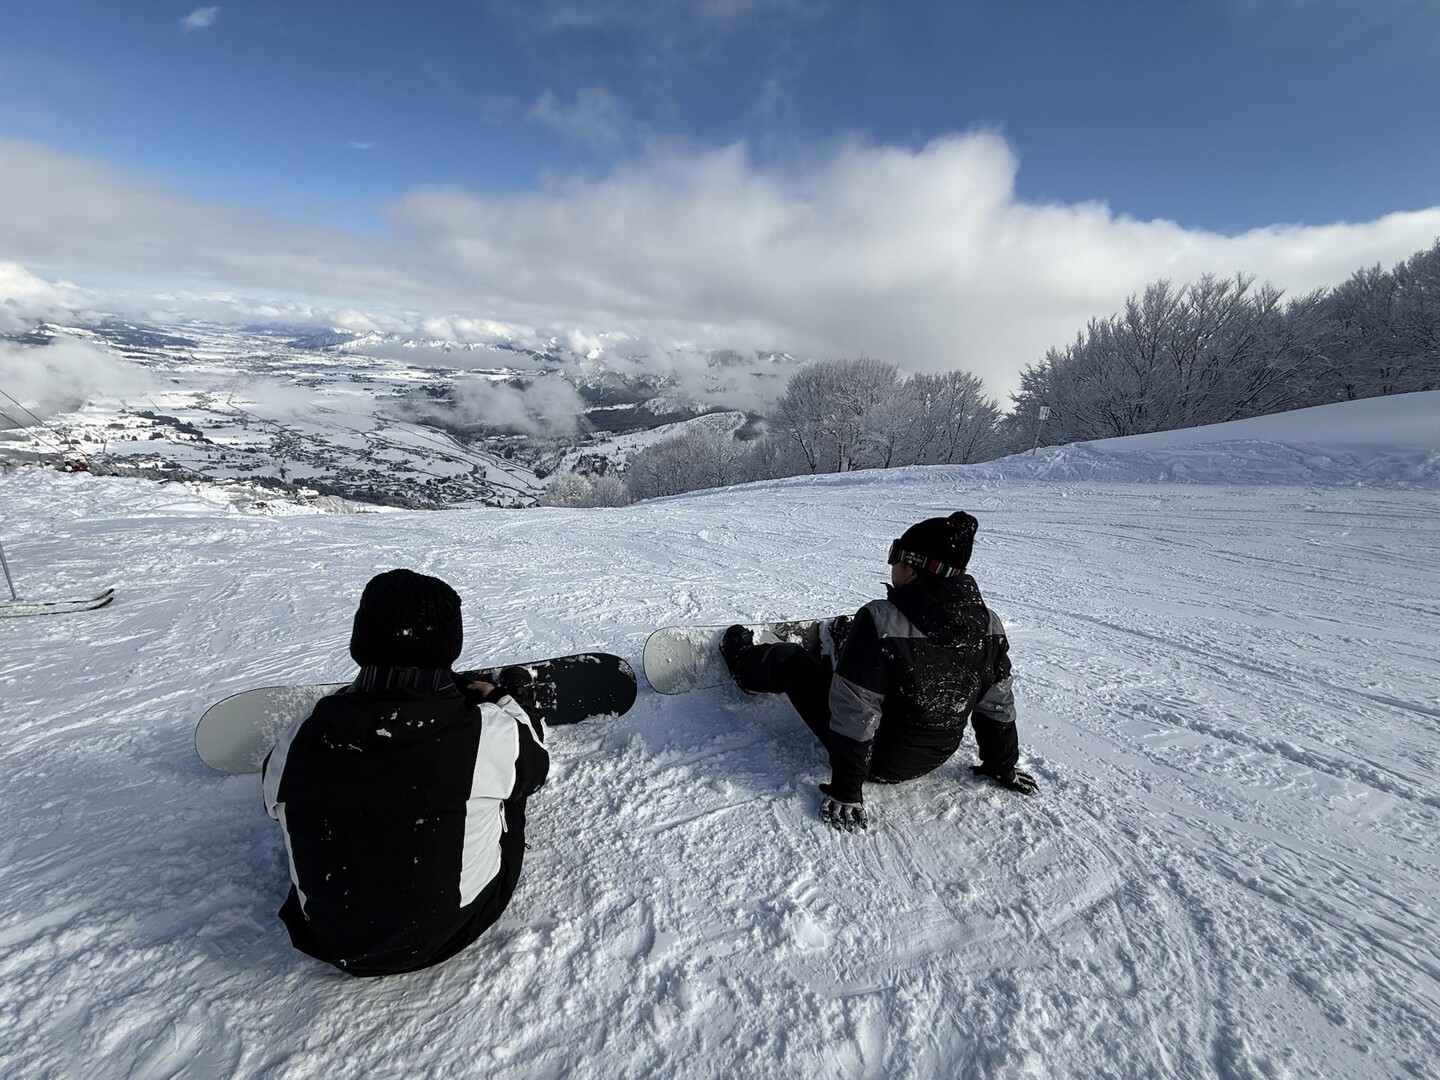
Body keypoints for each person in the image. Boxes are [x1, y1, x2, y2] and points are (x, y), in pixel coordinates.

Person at [262, 569, 548, 976]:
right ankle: (509, 697)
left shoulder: (301, 737)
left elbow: (271, 803)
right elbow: (537, 766)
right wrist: (500, 697)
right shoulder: (483, 735)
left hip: (327, 937)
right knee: (511, 790)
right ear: (449, 645)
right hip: (451, 928)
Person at [720, 511, 1036, 833]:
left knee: (791, 660)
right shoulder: (989, 624)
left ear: (911, 571)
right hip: (935, 756)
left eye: (895, 558)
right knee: (879, 662)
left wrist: (847, 789)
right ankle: (849, 647)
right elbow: (996, 703)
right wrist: (1002, 765)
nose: (890, 565)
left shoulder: (881, 620)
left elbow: (856, 709)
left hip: (876, 759)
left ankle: (743, 664)